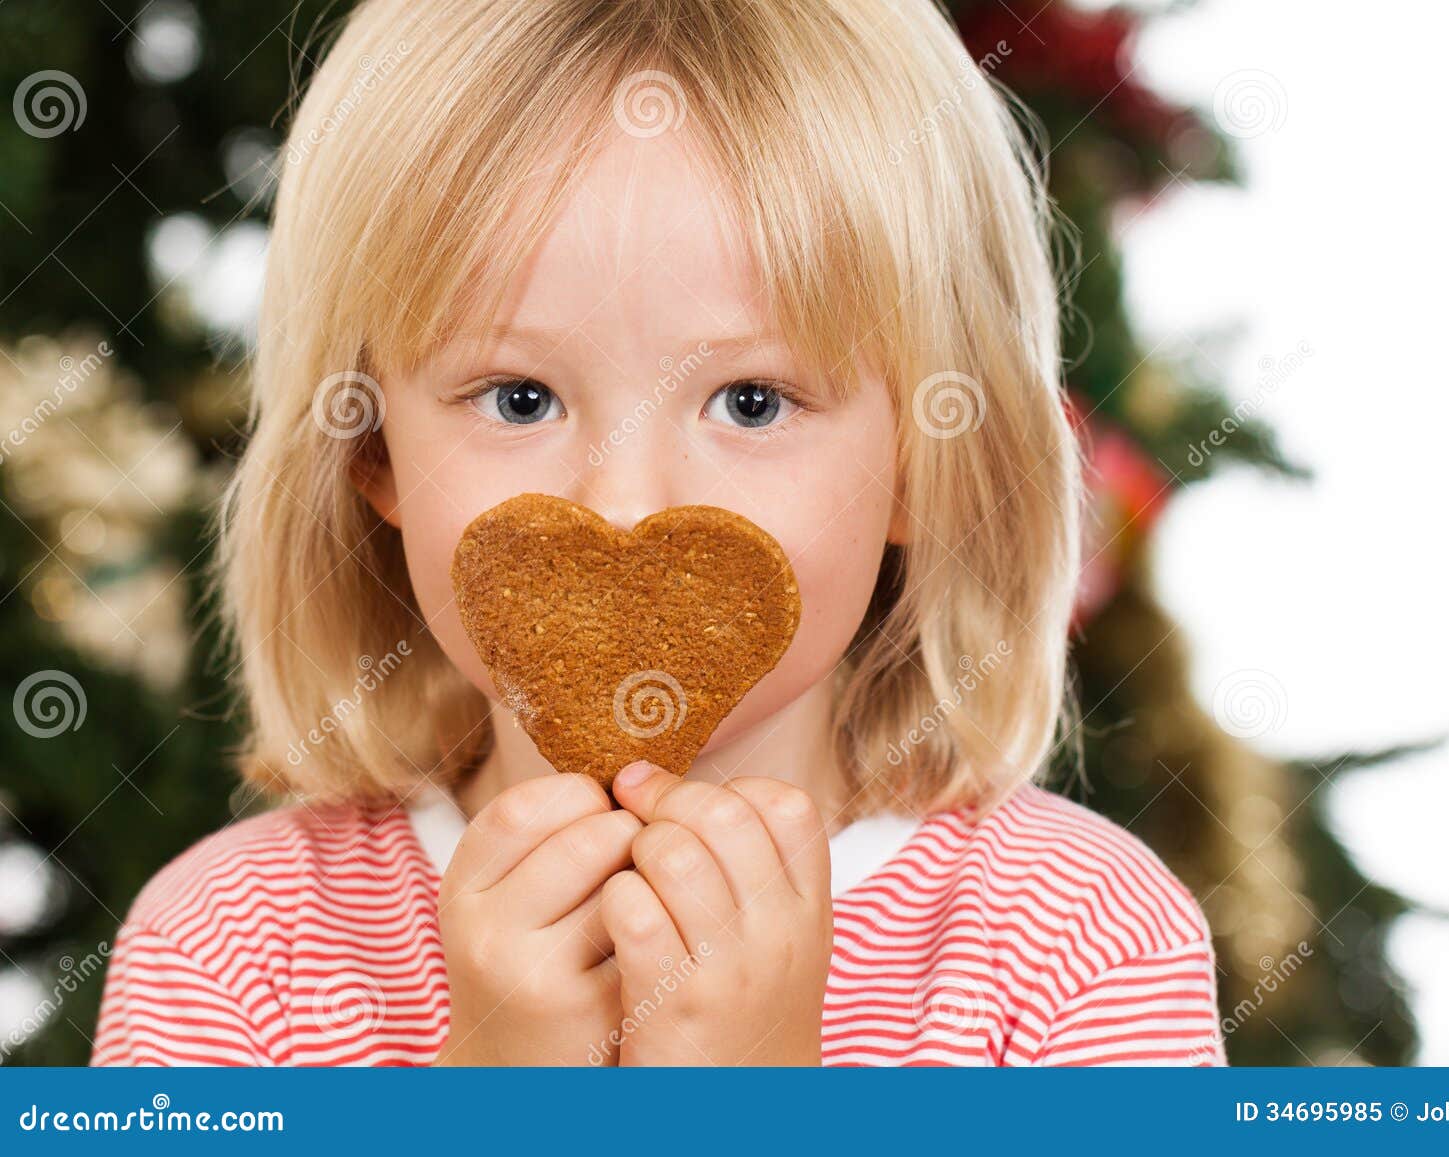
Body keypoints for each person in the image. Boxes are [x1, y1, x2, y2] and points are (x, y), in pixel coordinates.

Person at [91, 0, 1227, 1066]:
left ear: (923, 461)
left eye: (752, 402)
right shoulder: (229, 951)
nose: (626, 508)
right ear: (371, 451)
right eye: (520, 399)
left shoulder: (1079, 943)